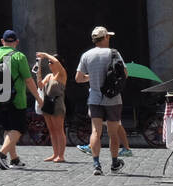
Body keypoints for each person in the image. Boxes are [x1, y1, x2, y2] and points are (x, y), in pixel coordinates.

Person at [0, 30, 41, 171]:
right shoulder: (19, 57)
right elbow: (28, 80)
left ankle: (14, 159)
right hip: (16, 100)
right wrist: (39, 98)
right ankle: (1, 154)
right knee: (17, 129)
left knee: (8, 129)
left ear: (2, 41)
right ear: (16, 42)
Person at [75, 26, 128, 175]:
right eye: (108, 36)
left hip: (95, 98)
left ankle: (96, 164)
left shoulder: (86, 55)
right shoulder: (114, 53)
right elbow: (125, 74)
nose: (109, 38)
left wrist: (92, 77)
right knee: (113, 133)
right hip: (113, 99)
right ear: (104, 38)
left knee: (95, 132)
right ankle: (114, 163)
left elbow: (78, 78)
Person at [35, 51, 67, 163]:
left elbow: (57, 62)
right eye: (48, 62)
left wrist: (45, 54)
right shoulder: (49, 76)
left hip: (57, 104)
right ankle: (55, 154)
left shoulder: (62, 73)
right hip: (47, 104)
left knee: (59, 130)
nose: (49, 64)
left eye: (51, 62)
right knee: (52, 130)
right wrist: (38, 70)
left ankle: (61, 155)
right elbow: (40, 85)